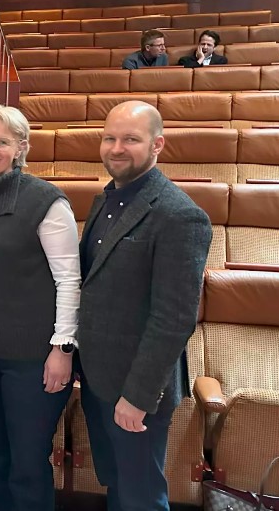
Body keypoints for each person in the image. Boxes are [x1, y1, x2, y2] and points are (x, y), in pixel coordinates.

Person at [76, 101, 212, 511]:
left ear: (157, 145)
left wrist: (137, 397)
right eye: (110, 138)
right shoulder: (105, 200)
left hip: (137, 391)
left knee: (141, 498)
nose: (116, 148)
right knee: (117, 484)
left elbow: (174, 319)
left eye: (130, 139)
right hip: (99, 378)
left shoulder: (180, 215)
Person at [0, 103, 81, 511]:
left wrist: (63, 348)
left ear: (20, 147)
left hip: (33, 360)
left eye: (3, 141)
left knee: (27, 463)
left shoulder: (46, 200)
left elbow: (69, 279)